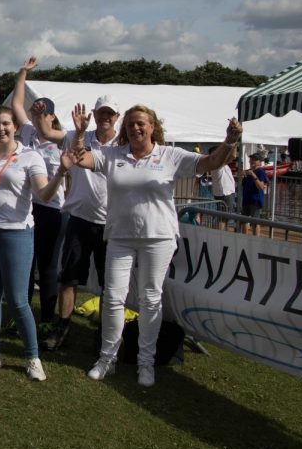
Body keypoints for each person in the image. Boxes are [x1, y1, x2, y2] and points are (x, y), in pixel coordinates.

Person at [67, 104, 241, 387]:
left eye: (142, 124)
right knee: (113, 297)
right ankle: (107, 358)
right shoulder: (113, 154)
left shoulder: (170, 155)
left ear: (153, 127)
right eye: (132, 124)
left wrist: (230, 141)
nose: (136, 128)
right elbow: (79, 158)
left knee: (150, 298)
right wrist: (79, 133)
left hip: (158, 237)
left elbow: (211, 163)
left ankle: (145, 362)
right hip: (120, 236)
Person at [0, 107, 67, 381]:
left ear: (15, 127)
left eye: (6, 124)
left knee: (18, 300)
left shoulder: (31, 157)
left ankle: (32, 357)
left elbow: (43, 194)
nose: (1, 129)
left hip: (17, 232)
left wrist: (61, 173)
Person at [29, 97, 121, 352]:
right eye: (102, 113)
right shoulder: (76, 135)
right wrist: (39, 114)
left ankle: (104, 333)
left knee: (108, 283)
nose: (105, 117)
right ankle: (63, 328)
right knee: (68, 278)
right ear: (94, 113)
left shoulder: (123, 144)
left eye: (110, 114)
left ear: (117, 116)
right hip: (79, 218)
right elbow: (47, 131)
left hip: (110, 222)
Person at [9, 57, 66, 327]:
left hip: (53, 209)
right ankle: (23, 315)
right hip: (28, 206)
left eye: (41, 112)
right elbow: (16, 105)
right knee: (26, 264)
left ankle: (46, 317)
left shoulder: (62, 139)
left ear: (52, 116)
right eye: (34, 112)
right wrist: (23, 74)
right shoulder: (29, 131)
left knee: (48, 266)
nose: (34, 115)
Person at [241, 153, 269, 235]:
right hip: (246, 199)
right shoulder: (248, 171)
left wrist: (253, 175)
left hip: (255, 201)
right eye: (251, 159)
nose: (252, 161)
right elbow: (243, 184)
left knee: (255, 223)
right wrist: (243, 175)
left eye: (255, 159)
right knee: (244, 221)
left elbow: (261, 187)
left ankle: (255, 239)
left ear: (259, 162)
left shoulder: (260, 171)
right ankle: (244, 238)